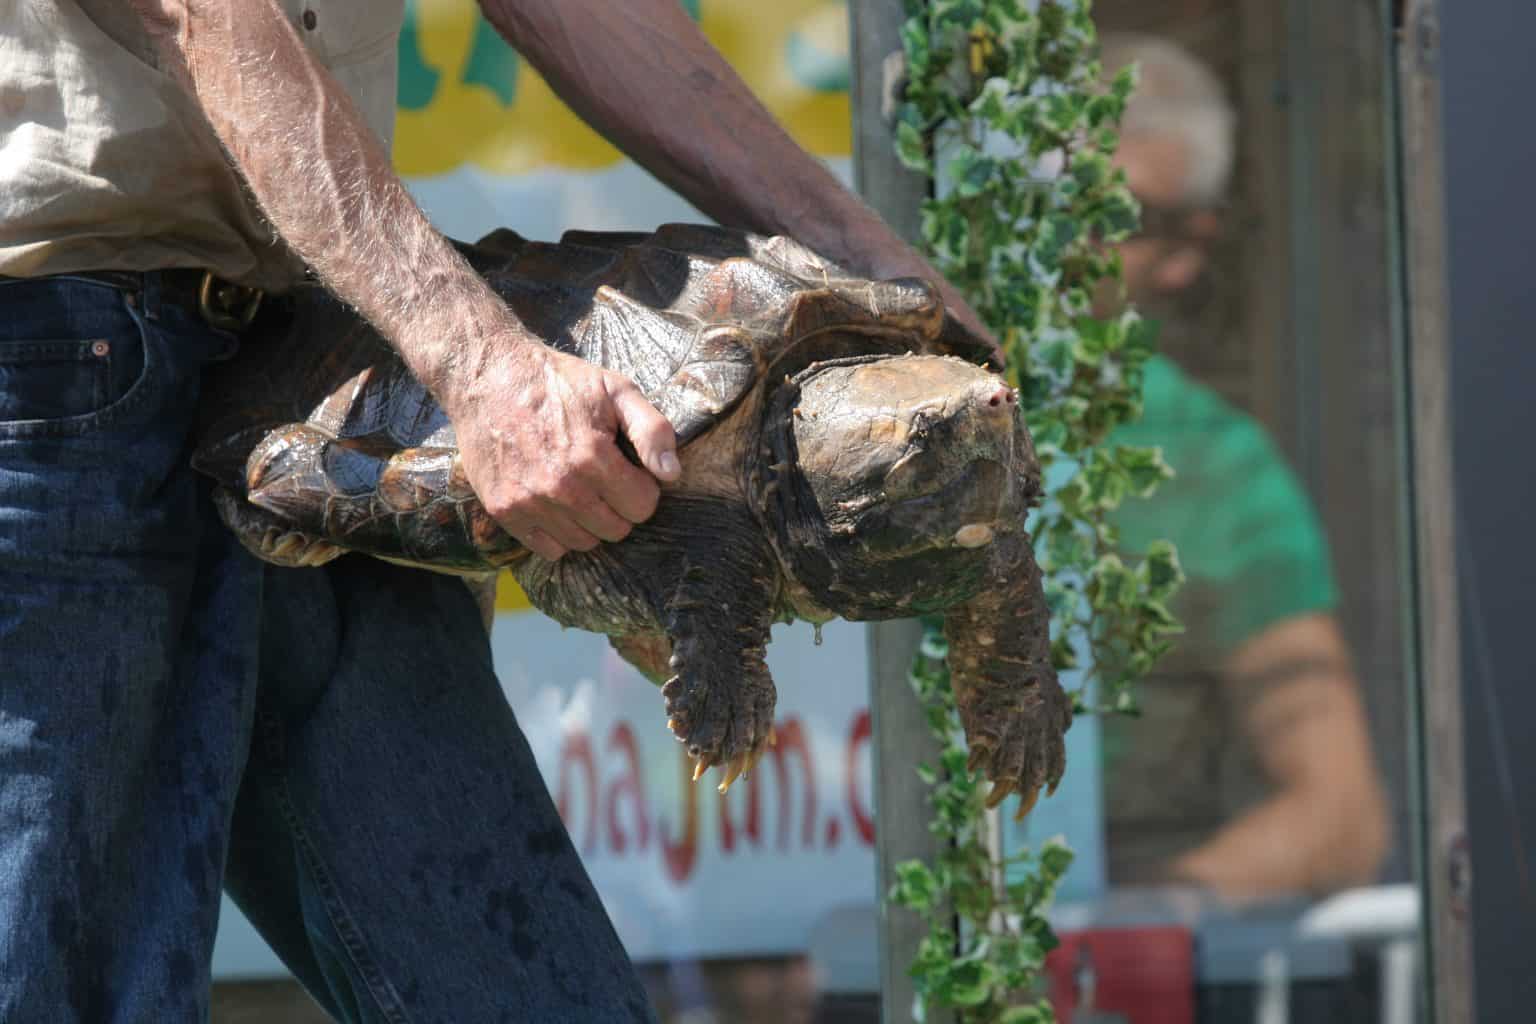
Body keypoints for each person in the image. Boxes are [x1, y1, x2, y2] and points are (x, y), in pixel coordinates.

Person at [0, 2, 994, 1020]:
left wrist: (870, 265)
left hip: (314, 340)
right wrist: (480, 363)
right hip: (57, 363)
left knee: (538, 995)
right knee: (57, 985)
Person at [1094, 34, 1390, 902]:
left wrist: (1136, 921)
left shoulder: (1218, 467)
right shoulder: (900, 388)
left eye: (1115, 216)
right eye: (1046, 201)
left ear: (1188, 248)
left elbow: (1341, 813)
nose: (1069, 241)